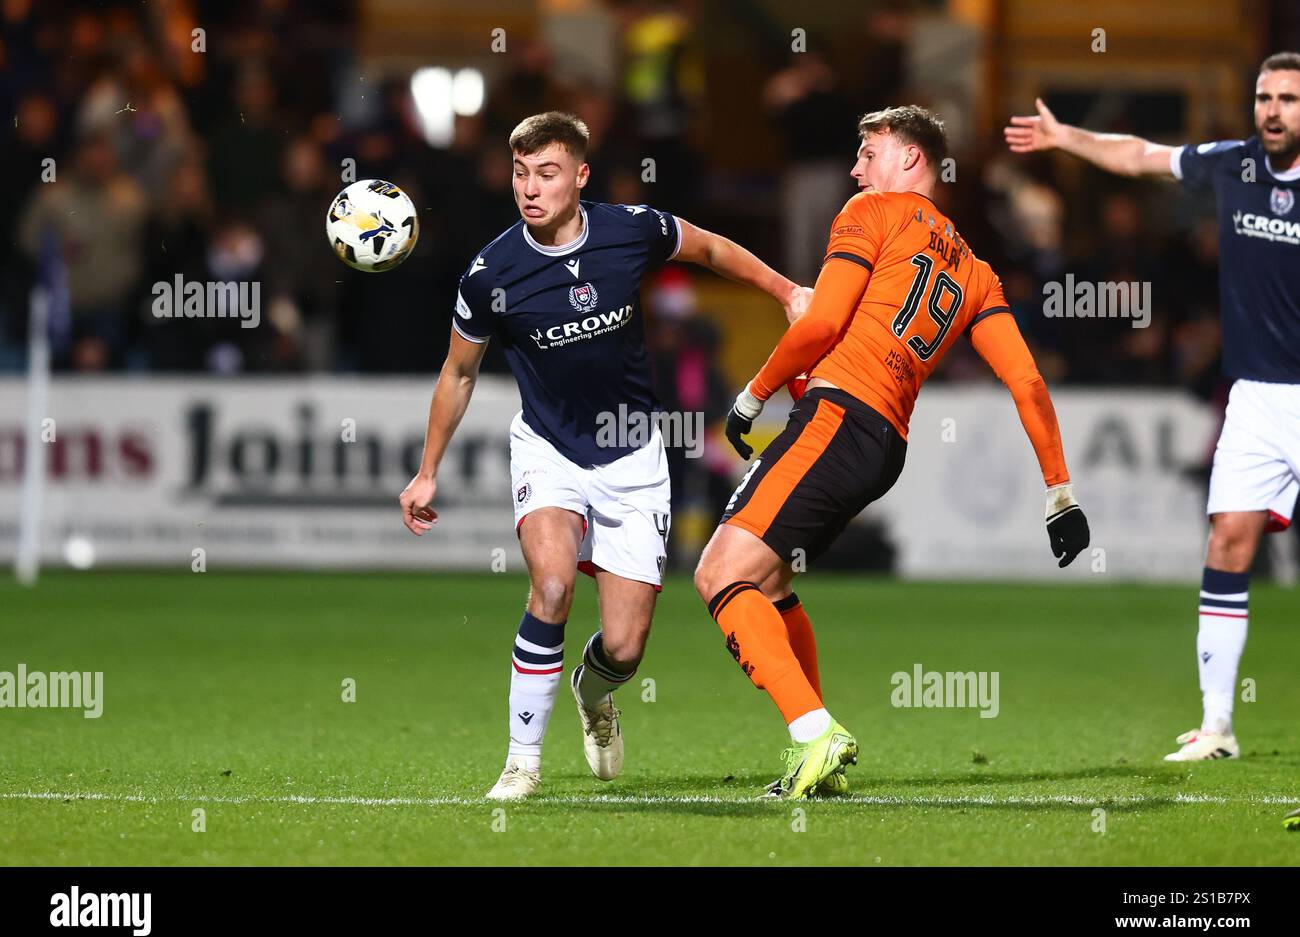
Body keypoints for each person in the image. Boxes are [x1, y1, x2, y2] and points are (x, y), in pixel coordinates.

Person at [398, 112, 810, 798]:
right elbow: (459, 373)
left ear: (580, 177)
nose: (531, 188)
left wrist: (786, 290)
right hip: (549, 450)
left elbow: (707, 249)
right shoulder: (491, 271)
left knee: (623, 647)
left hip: (633, 458)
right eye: (521, 174)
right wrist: (427, 470)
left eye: (548, 173)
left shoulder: (630, 230)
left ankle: (594, 695)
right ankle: (521, 762)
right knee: (552, 585)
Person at [694, 105, 1090, 799]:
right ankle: (817, 754)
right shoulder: (976, 270)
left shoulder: (871, 213)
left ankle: (815, 732)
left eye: (867, 151)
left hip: (837, 419)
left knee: (718, 575)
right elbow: (1026, 380)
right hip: (883, 443)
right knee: (771, 583)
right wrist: (1060, 491)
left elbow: (823, 320)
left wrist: (753, 395)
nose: (855, 168)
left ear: (909, 159)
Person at [1005, 52, 1300, 761]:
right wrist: (1068, 138)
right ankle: (1218, 725)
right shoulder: (1234, 164)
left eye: (1289, 99)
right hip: (1256, 399)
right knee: (1229, 541)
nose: (1273, 110)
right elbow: (1140, 156)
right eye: (1264, 96)